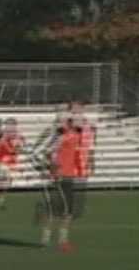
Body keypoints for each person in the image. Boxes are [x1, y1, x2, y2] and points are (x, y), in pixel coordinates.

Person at [37, 103, 95, 252]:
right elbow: (49, 153)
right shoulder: (64, 135)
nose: (81, 120)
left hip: (67, 175)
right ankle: (59, 242)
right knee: (64, 212)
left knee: (60, 211)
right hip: (61, 176)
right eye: (77, 118)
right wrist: (53, 170)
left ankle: (48, 241)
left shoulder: (75, 134)